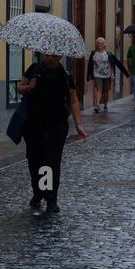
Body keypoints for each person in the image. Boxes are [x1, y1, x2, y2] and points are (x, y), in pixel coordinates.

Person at [17, 53, 83, 214]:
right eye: (47, 53)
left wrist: (78, 124)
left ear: (60, 56)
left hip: (56, 125)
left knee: (51, 162)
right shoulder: (34, 69)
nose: (49, 56)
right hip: (34, 124)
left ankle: (50, 198)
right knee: (34, 161)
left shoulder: (65, 75)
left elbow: (73, 99)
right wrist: (28, 87)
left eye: (53, 54)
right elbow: (19, 87)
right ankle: (38, 192)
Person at [86, 38, 128, 113]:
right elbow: (90, 65)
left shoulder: (109, 54)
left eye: (101, 43)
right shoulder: (93, 53)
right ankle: (97, 105)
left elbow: (114, 64)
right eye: (98, 43)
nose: (100, 45)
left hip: (107, 75)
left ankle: (105, 104)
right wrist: (89, 76)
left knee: (105, 91)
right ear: (96, 44)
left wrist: (112, 74)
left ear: (104, 45)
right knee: (99, 89)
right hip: (97, 74)